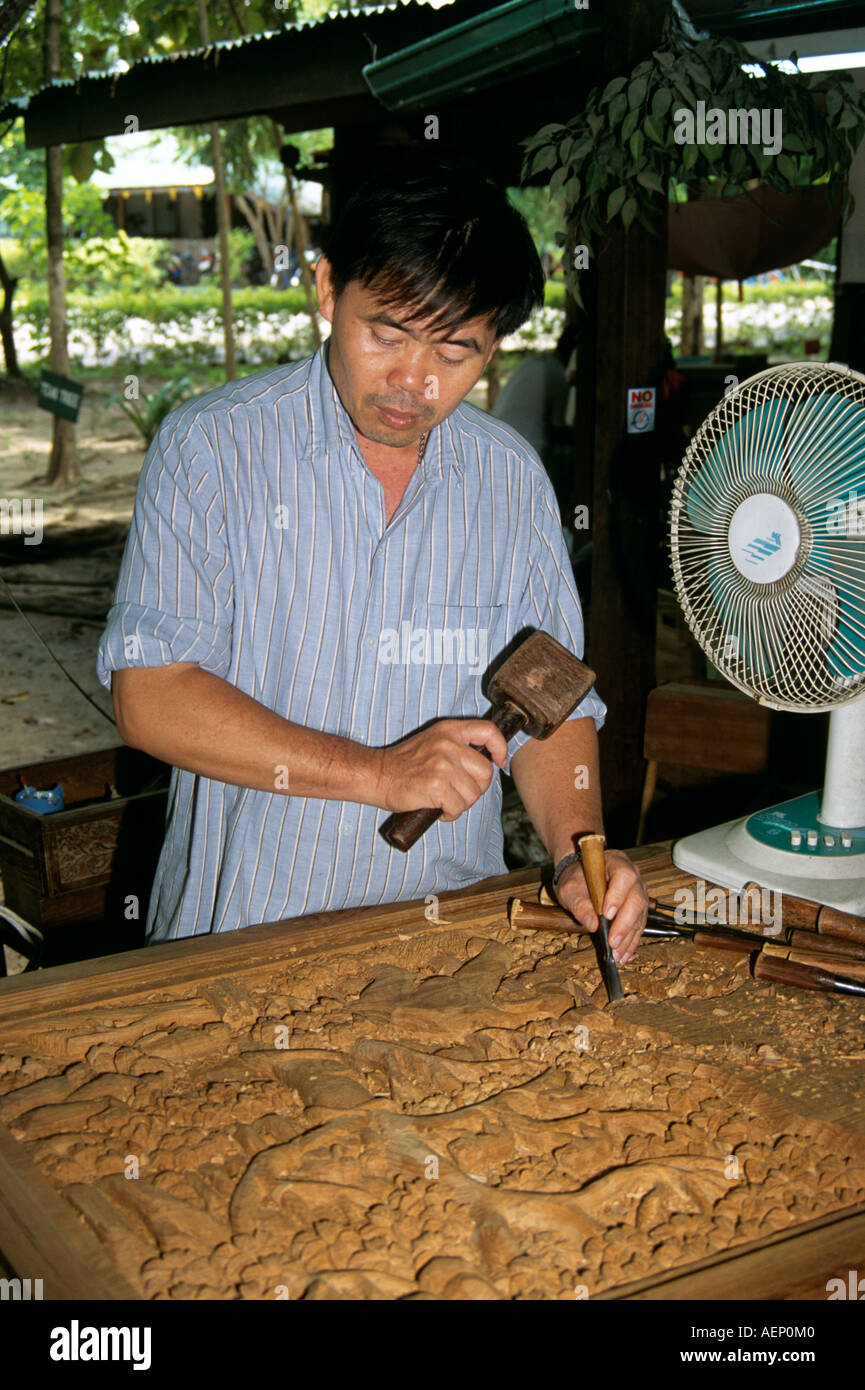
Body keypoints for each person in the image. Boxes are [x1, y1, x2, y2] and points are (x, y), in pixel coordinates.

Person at [96, 158, 648, 962]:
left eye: (456, 350)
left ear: (495, 344)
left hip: (443, 937)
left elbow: (547, 699)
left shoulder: (509, 478)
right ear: (326, 292)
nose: (412, 381)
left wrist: (575, 852)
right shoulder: (212, 448)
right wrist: (377, 774)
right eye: (385, 333)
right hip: (243, 938)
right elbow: (153, 696)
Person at [490, 323, 577, 518]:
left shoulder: (533, 364)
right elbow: (561, 428)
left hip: (498, 448)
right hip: (523, 457)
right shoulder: (557, 374)